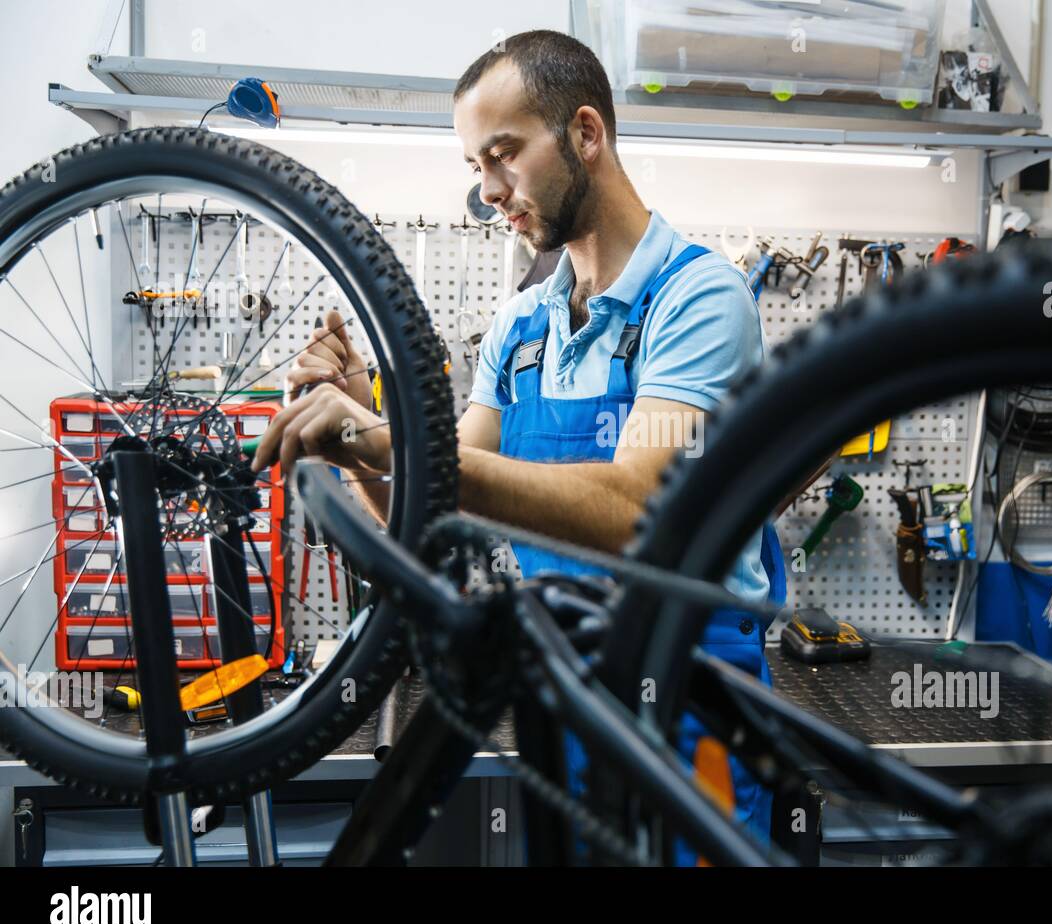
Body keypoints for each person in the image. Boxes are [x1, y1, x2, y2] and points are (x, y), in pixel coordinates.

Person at [252, 29, 785, 862]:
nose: (490, 193)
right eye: (476, 169)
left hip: (686, 706)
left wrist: (383, 437)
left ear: (585, 134)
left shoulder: (699, 301)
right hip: (558, 701)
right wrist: (354, 441)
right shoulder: (523, 324)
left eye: (504, 155)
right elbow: (434, 524)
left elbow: (635, 510)